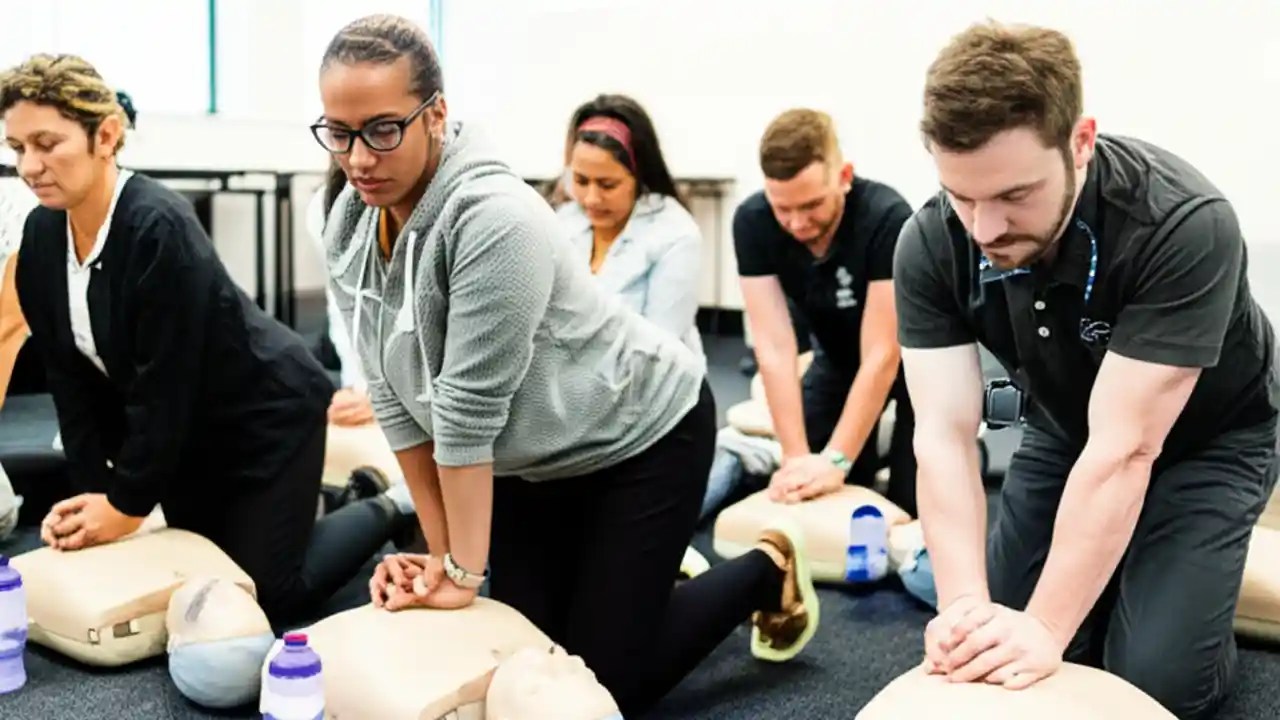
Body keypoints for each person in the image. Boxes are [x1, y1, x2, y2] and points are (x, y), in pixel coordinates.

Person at [312, 14, 820, 716]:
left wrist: (463, 570)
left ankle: (766, 569)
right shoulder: (347, 219)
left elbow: (464, 414)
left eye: (382, 129)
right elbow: (397, 397)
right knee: (532, 657)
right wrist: (440, 555)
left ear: (437, 116)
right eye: (339, 132)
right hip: (532, 462)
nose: (359, 157)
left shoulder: (494, 219)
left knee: (606, 681)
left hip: (641, 435)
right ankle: (632, 582)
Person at [894, 21, 1279, 720]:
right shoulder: (928, 243)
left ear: (1080, 142)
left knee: (1150, 678)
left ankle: (1185, 587)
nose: (983, 229)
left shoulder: (1182, 224)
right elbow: (944, 438)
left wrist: (1046, 628)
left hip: (1211, 445)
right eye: (961, 196)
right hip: (1067, 428)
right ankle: (1125, 577)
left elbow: (1128, 448)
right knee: (989, 636)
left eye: (1014, 195)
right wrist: (962, 607)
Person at [1, 53, 413, 629]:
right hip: (192, 423)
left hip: (268, 412)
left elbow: (164, 386)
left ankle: (385, 501)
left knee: (265, 593)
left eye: (47, 143)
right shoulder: (42, 236)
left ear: (106, 136)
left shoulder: (158, 226)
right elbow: (70, 382)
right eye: (17, 147)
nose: (30, 165)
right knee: (200, 563)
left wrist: (124, 506)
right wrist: (95, 498)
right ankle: (308, 504)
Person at [732, 108, 918, 516]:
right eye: (783, 208)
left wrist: (836, 460)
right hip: (836, 358)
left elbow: (883, 354)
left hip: (915, 367)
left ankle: (897, 445)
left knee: (913, 501)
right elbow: (775, 346)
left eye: (812, 205)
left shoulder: (886, 218)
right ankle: (870, 445)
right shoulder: (752, 221)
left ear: (844, 176)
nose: (797, 222)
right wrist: (797, 458)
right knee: (809, 482)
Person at [555, 93, 704, 356]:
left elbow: (657, 350)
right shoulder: (563, 222)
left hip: (654, 387)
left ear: (639, 177)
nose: (591, 198)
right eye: (580, 180)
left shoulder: (675, 235)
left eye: (607, 185)